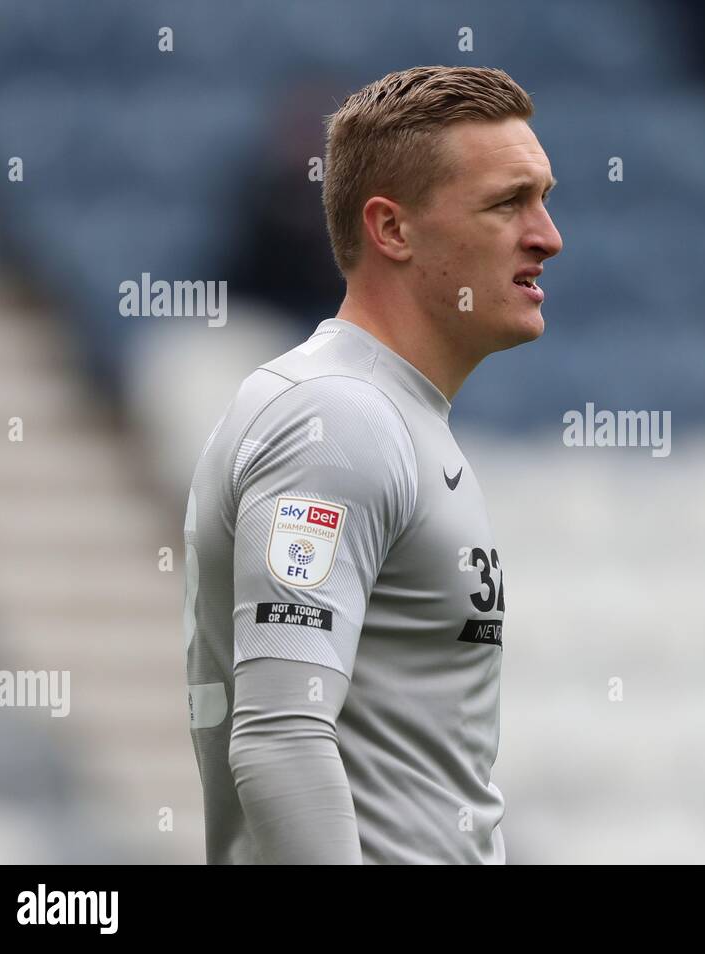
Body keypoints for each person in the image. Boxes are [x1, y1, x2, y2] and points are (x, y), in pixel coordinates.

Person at [182, 65, 562, 864]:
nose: (546, 236)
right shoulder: (338, 418)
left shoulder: (394, 417)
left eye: (544, 199)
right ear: (392, 230)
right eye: (506, 203)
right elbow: (282, 733)